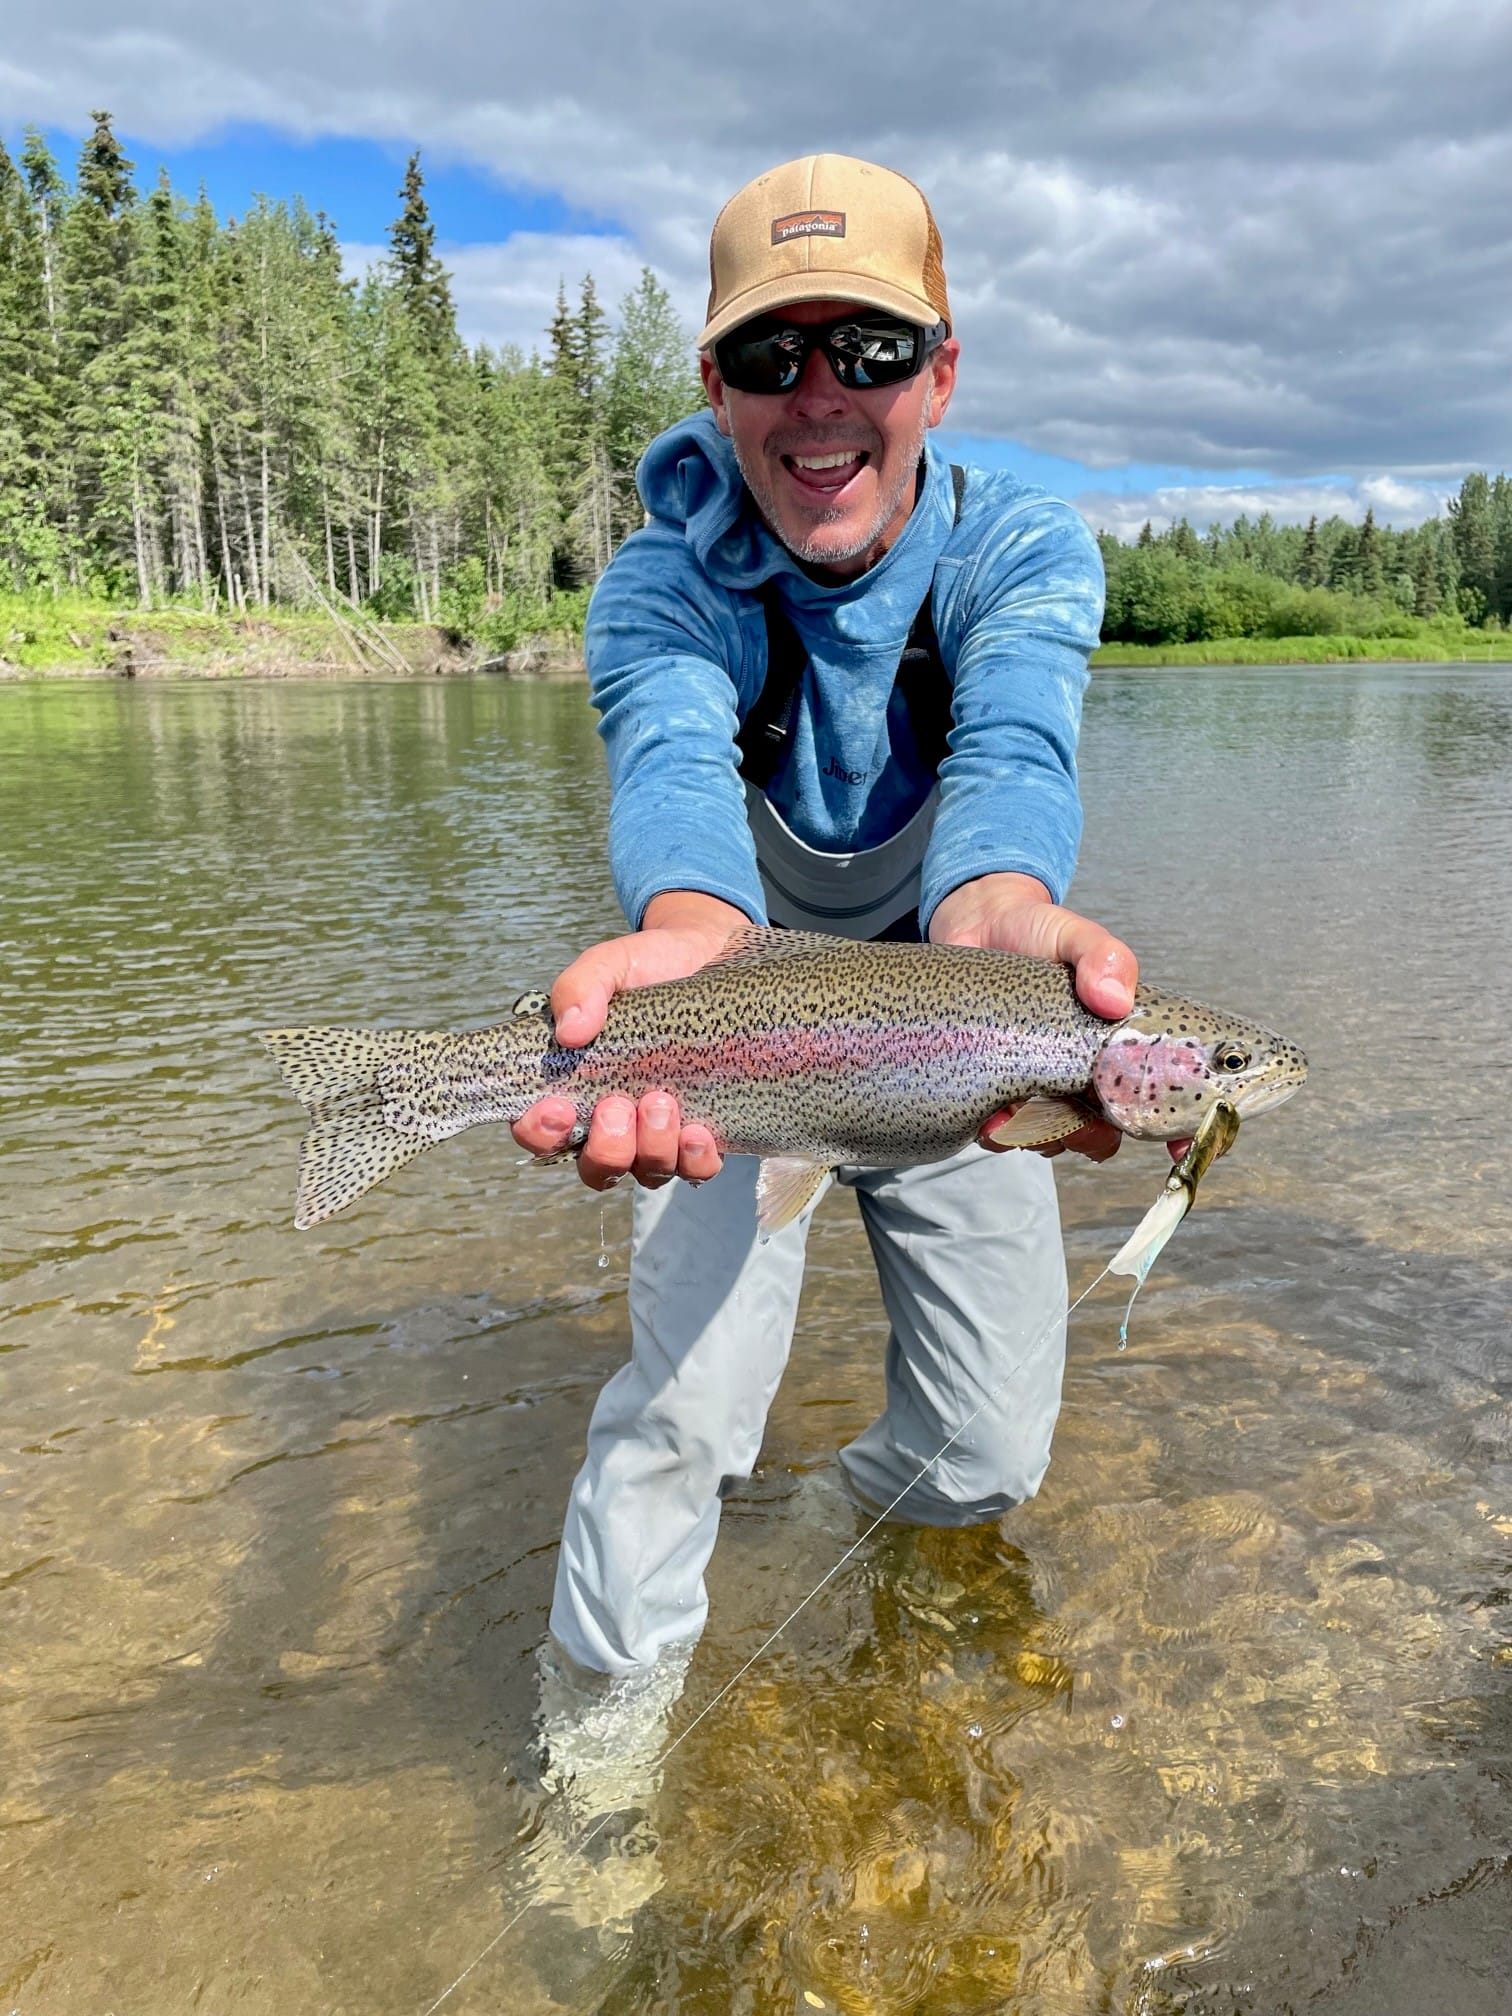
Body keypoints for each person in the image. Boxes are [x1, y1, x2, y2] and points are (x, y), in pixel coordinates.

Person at [513, 152, 1141, 1709]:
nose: (817, 398)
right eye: (765, 354)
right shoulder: (665, 584)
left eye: (864, 349)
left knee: (987, 1449)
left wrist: (1005, 927)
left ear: (940, 370)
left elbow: (1010, 764)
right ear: (715, 387)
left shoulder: (1024, 550)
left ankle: (858, 1529)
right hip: (733, 1021)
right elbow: (670, 769)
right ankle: (605, 1724)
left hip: (953, 1024)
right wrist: (693, 935)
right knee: (682, 1417)